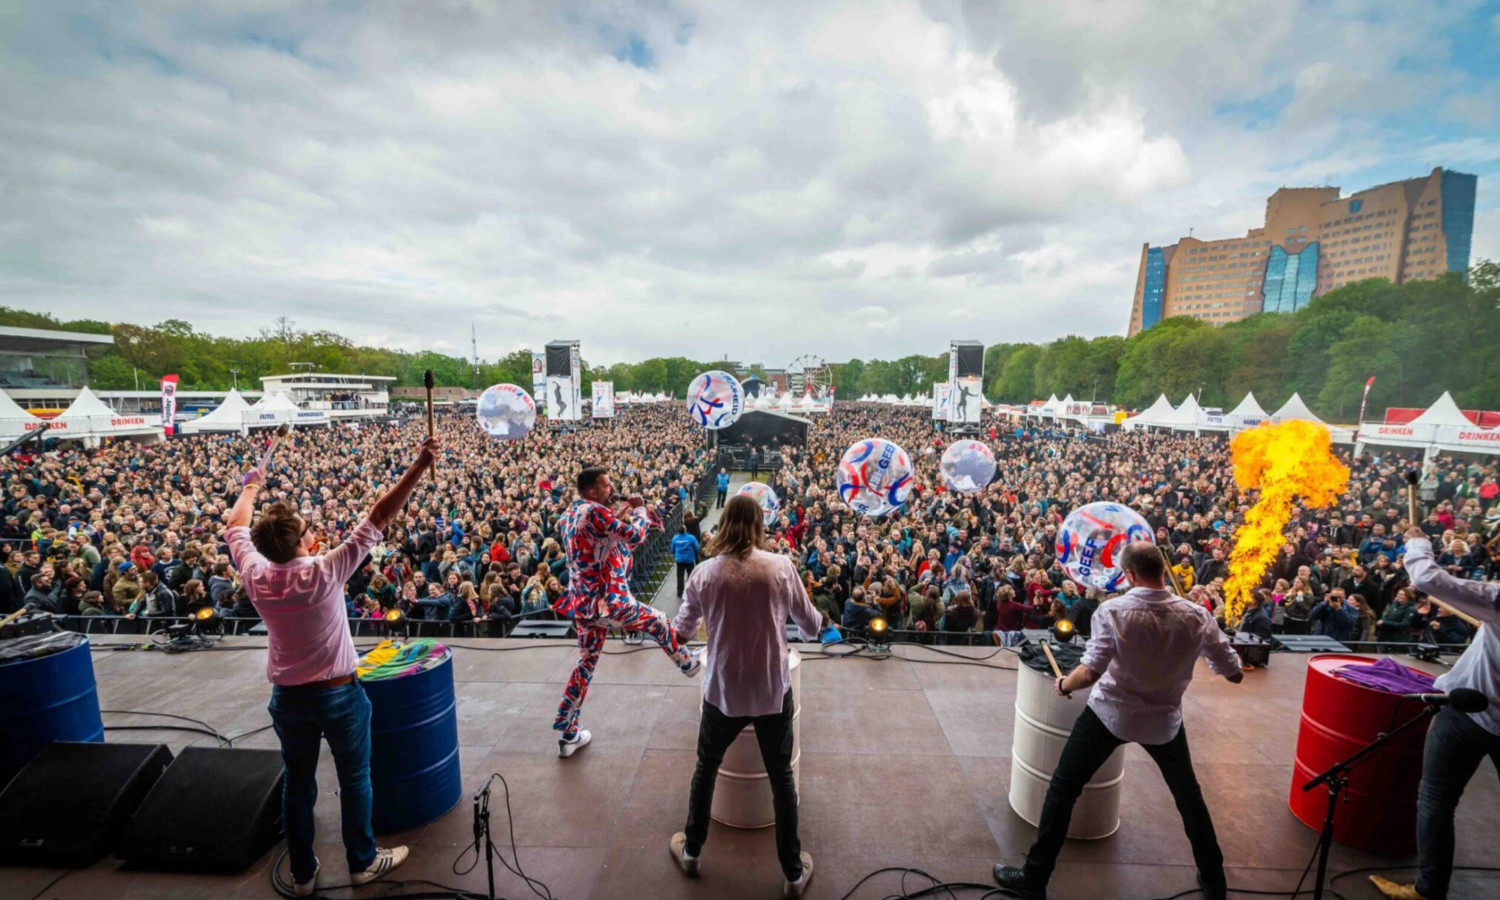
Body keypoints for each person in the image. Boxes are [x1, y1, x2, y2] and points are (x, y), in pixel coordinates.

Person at [225, 436, 439, 896]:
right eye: (308, 529)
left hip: (288, 698)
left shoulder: (255, 574)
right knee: (355, 777)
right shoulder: (325, 570)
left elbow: (236, 525)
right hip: (340, 693)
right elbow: (381, 514)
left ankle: (302, 875)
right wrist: (421, 464)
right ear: (303, 541)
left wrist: (251, 486)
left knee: (297, 786)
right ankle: (362, 862)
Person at [994, 542, 1243, 900]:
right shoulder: (1196, 615)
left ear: (1128, 574)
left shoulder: (1113, 611)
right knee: (1190, 800)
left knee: (1063, 790)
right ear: (1163, 570)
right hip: (1164, 721)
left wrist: (1063, 684)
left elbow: (1090, 672)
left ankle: (1034, 881)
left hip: (1109, 714)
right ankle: (1215, 882)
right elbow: (1232, 671)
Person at [668, 494, 826, 899]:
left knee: (706, 768)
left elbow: (681, 632)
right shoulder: (780, 567)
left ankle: (692, 852)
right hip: (772, 688)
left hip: (723, 690)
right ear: (759, 525)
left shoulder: (704, 573)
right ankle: (793, 874)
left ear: (723, 524)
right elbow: (811, 627)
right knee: (781, 779)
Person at [1370, 527, 1500, 900]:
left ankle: (1428, 890)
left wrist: (1417, 541)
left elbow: (1427, 578)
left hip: (1470, 712)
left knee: (1436, 797)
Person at [553, 466, 700, 758]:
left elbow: (599, 538)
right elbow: (634, 536)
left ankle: (569, 734)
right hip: (609, 600)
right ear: (593, 491)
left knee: (586, 664)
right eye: (607, 485)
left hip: (583, 605)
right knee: (658, 620)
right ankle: (686, 663)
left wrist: (619, 513)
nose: (612, 489)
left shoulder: (569, 514)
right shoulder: (596, 512)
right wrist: (640, 510)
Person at [671, 524, 700, 598]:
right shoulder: (691, 537)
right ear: (685, 530)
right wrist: (696, 556)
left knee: (680, 576)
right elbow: (696, 547)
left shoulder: (675, 538)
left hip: (679, 560)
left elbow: (672, 548)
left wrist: (674, 554)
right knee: (690, 575)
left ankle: (680, 592)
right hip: (689, 559)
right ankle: (690, 591)